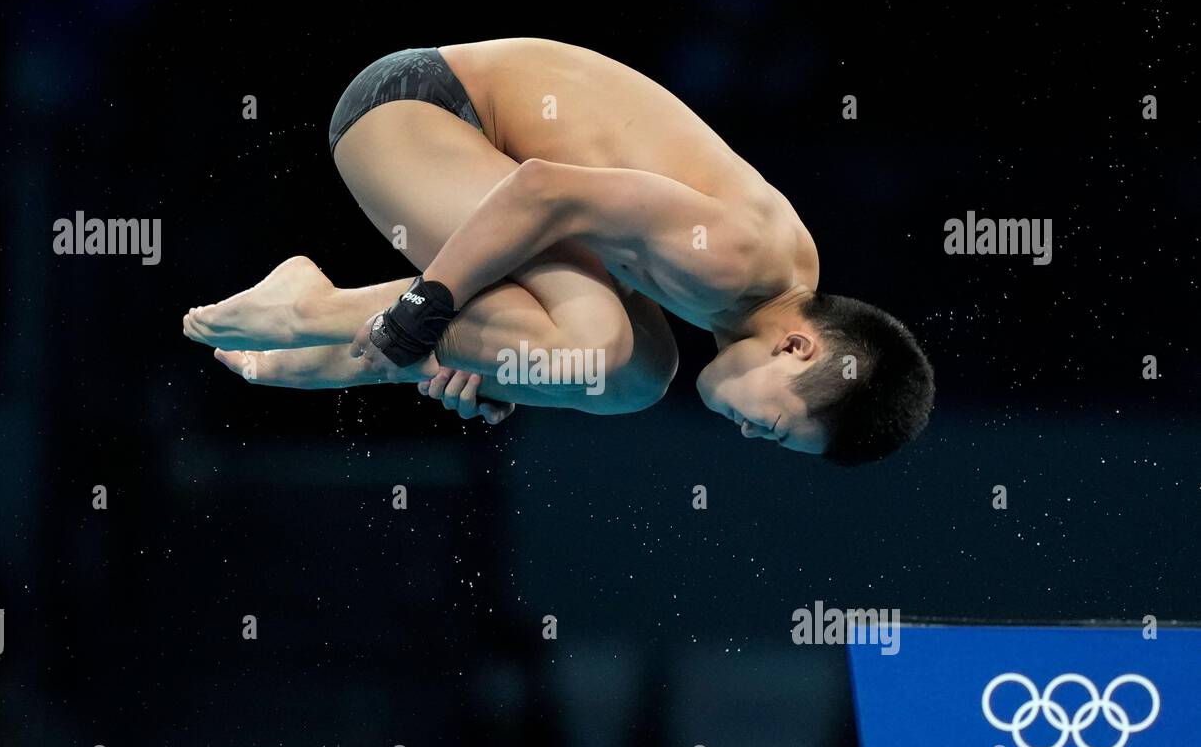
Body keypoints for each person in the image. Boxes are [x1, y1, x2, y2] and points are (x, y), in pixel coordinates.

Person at [183, 39, 933, 463]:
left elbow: (562, 257)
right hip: (420, 108)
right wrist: (428, 301)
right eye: (769, 426)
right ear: (800, 347)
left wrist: (504, 363)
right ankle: (312, 306)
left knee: (634, 375)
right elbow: (545, 191)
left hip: (484, 167)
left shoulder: (740, 296)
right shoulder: (736, 259)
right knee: (602, 345)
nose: (745, 433)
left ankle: (324, 347)